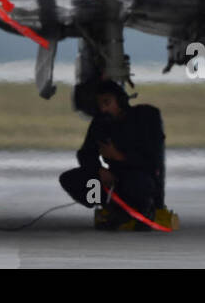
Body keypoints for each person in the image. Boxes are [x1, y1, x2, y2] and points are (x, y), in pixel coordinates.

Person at [58, 79, 164, 228]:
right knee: (70, 179)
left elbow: (152, 161)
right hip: (111, 181)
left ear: (120, 101)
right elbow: (85, 154)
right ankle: (109, 206)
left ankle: (141, 209)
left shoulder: (143, 119)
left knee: (137, 184)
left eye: (107, 103)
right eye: (100, 105)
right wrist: (99, 170)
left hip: (139, 178)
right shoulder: (101, 123)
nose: (103, 109)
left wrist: (119, 157)